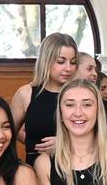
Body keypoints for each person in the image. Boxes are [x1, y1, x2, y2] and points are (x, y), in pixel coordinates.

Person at [11, 32, 77, 165]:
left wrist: (65, 145)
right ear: (46, 60)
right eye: (61, 61)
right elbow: (7, 134)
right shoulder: (26, 94)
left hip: (74, 169)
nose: (68, 68)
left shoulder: (82, 95)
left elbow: (98, 138)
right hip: (34, 173)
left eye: (73, 62)